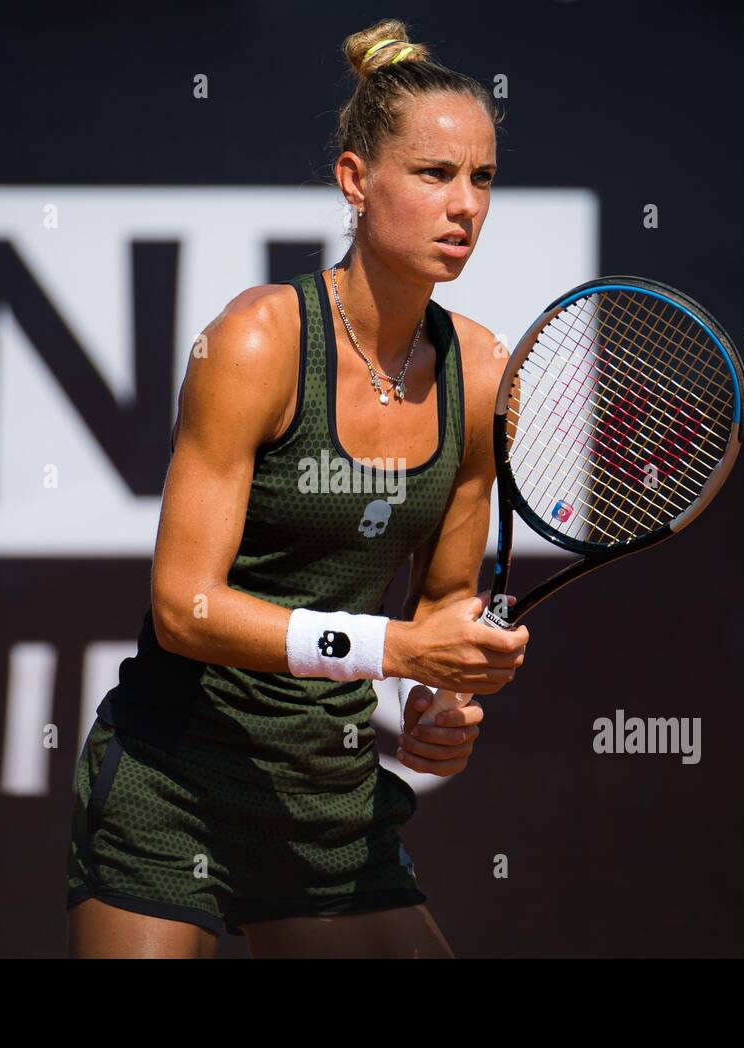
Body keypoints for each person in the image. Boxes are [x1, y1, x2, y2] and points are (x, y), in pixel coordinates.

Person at [67, 18, 528, 959]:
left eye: (481, 178)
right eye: (434, 174)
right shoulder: (256, 342)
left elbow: (443, 599)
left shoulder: (483, 373)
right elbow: (185, 608)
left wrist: (444, 701)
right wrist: (402, 649)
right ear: (356, 181)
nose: (465, 207)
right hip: (174, 784)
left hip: (330, 800)